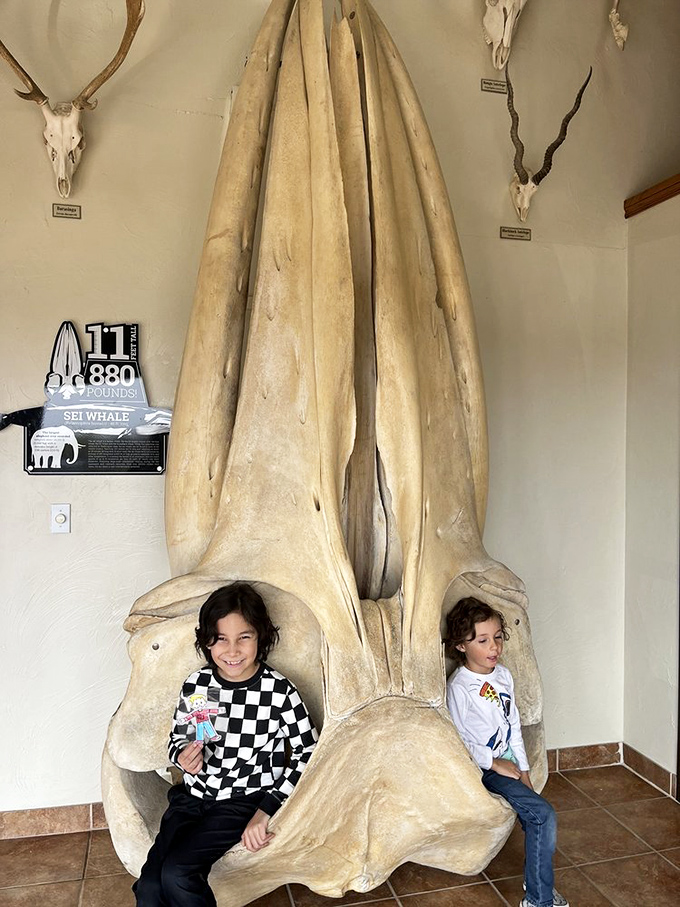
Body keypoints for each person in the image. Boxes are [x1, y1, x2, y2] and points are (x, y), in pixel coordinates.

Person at [133, 582, 318, 907]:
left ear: (260, 636)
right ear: (206, 641)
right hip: (190, 801)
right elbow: (178, 738)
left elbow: (308, 752)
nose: (231, 651)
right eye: (220, 639)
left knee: (178, 875)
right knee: (149, 886)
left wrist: (265, 811)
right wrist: (183, 756)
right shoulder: (198, 685)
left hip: (241, 803)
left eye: (243, 637)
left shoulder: (279, 691)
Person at [444, 597, 568, 907]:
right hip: (484, 769)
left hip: (507, 763)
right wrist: (494, 763)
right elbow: (457, 742)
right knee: (543, 815)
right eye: (483, 640)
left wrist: (524, 771)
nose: (494, 647)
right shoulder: (459, 688)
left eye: (498, 637)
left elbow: (512, 724)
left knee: (537, 815)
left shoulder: (503, 676)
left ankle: (537, 883)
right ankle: (538, 901)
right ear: (461, 645)